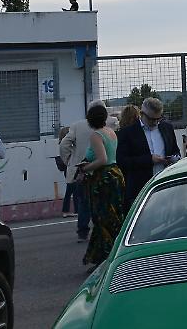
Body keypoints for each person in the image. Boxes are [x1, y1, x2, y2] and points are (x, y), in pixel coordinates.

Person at [76, 101, 125, 267]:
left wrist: (85, 169)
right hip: (116, 174)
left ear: (90, 120)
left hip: (104, 178)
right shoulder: (111, 132)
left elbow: (102, 159)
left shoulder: (96, 135)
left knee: (102, 218)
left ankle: (105, 258)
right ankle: (111, 254)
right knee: (114, 216)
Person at [116, 97, 180, 210]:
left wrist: (174, 158)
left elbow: (175, 150)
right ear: (142, 114)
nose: (155, 122)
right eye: (151, 119)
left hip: (165, 186)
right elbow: (122, 161)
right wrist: (148, 159)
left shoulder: (167, 128)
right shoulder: (128, 133)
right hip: (140, 189)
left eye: (158, 118)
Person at [59, 110, 95, 242]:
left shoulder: (77, 126)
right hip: (101, 169)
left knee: (83, 202)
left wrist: (68, 160)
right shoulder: (108, 125)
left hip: (80, 170)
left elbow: (64, 144)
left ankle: (82, 232)